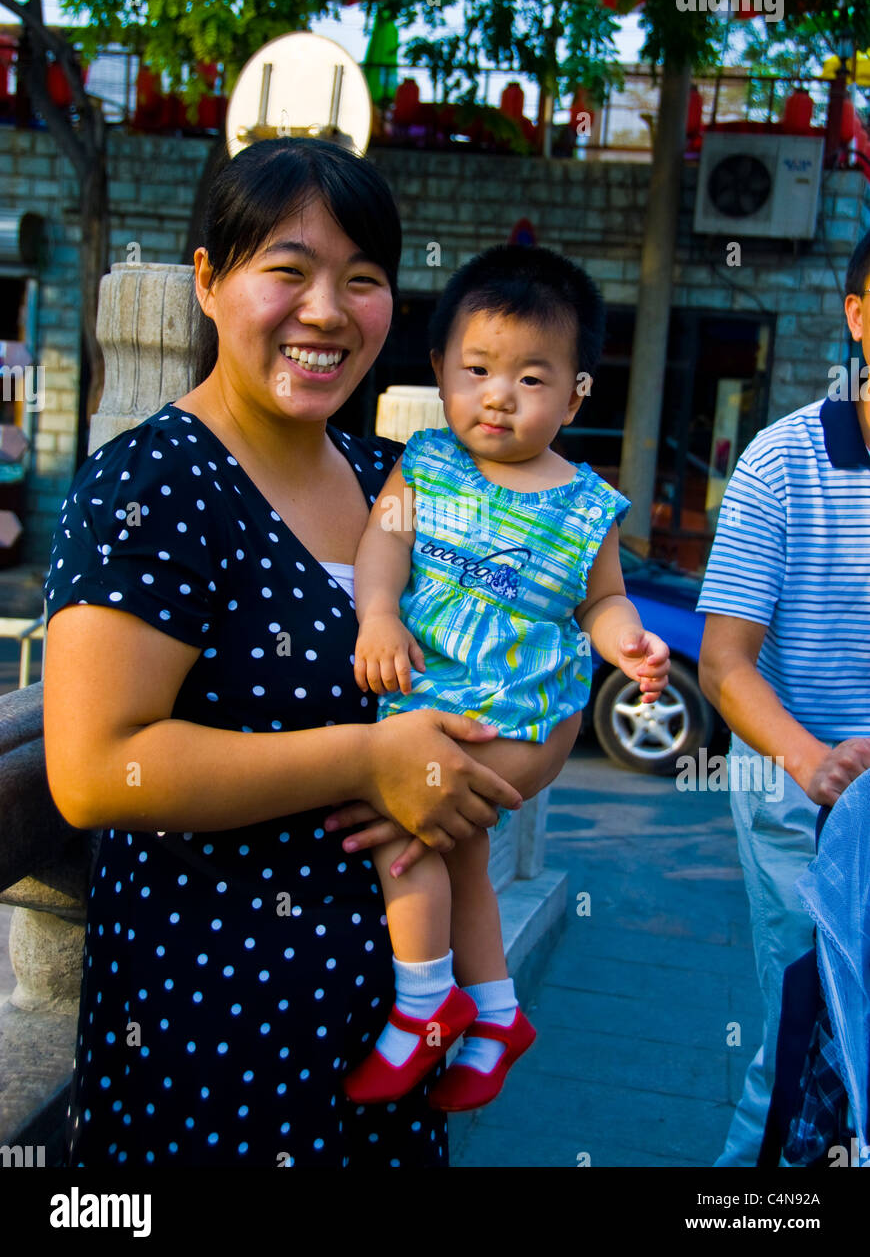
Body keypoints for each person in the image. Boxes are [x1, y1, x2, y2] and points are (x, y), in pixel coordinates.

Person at [40, 137, 584, 1168]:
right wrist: (369, 761)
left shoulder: (407, 476)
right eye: (287, 270)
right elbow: (93, 766)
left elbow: (541, 650)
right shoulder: (152, 484)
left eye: (364, 279)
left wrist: (518, 753)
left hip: (389, 1042)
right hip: (210, 1040)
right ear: (208, 281)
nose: (327, 311)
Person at [337, 245, 670, 1110]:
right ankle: (493, 1012)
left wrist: (627, 641)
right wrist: (378, 614)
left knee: (403, 826)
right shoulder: (427, 461)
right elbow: (385, 543)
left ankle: (422, 1008)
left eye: (531, 378)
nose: (498, 395)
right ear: (441, 367)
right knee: (465, 855)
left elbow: (601, 601)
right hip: (424, 692)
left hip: (510, 714)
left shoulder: (586, 504)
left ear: (575, 393)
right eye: (477, 368)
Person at [697, 226, 870, 1166]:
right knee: (803, 1043)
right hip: (802, 800)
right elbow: (725, 664)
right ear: (857, 316)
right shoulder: (783, 461)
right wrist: (817, 763)